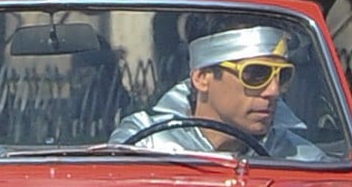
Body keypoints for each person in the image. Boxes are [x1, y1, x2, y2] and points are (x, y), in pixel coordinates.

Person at [109, 20, 326, 161]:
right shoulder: (144, 143)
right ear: (202, 78)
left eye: (283, 75)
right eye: (255, 74)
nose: (273, 90)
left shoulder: (301, 159)